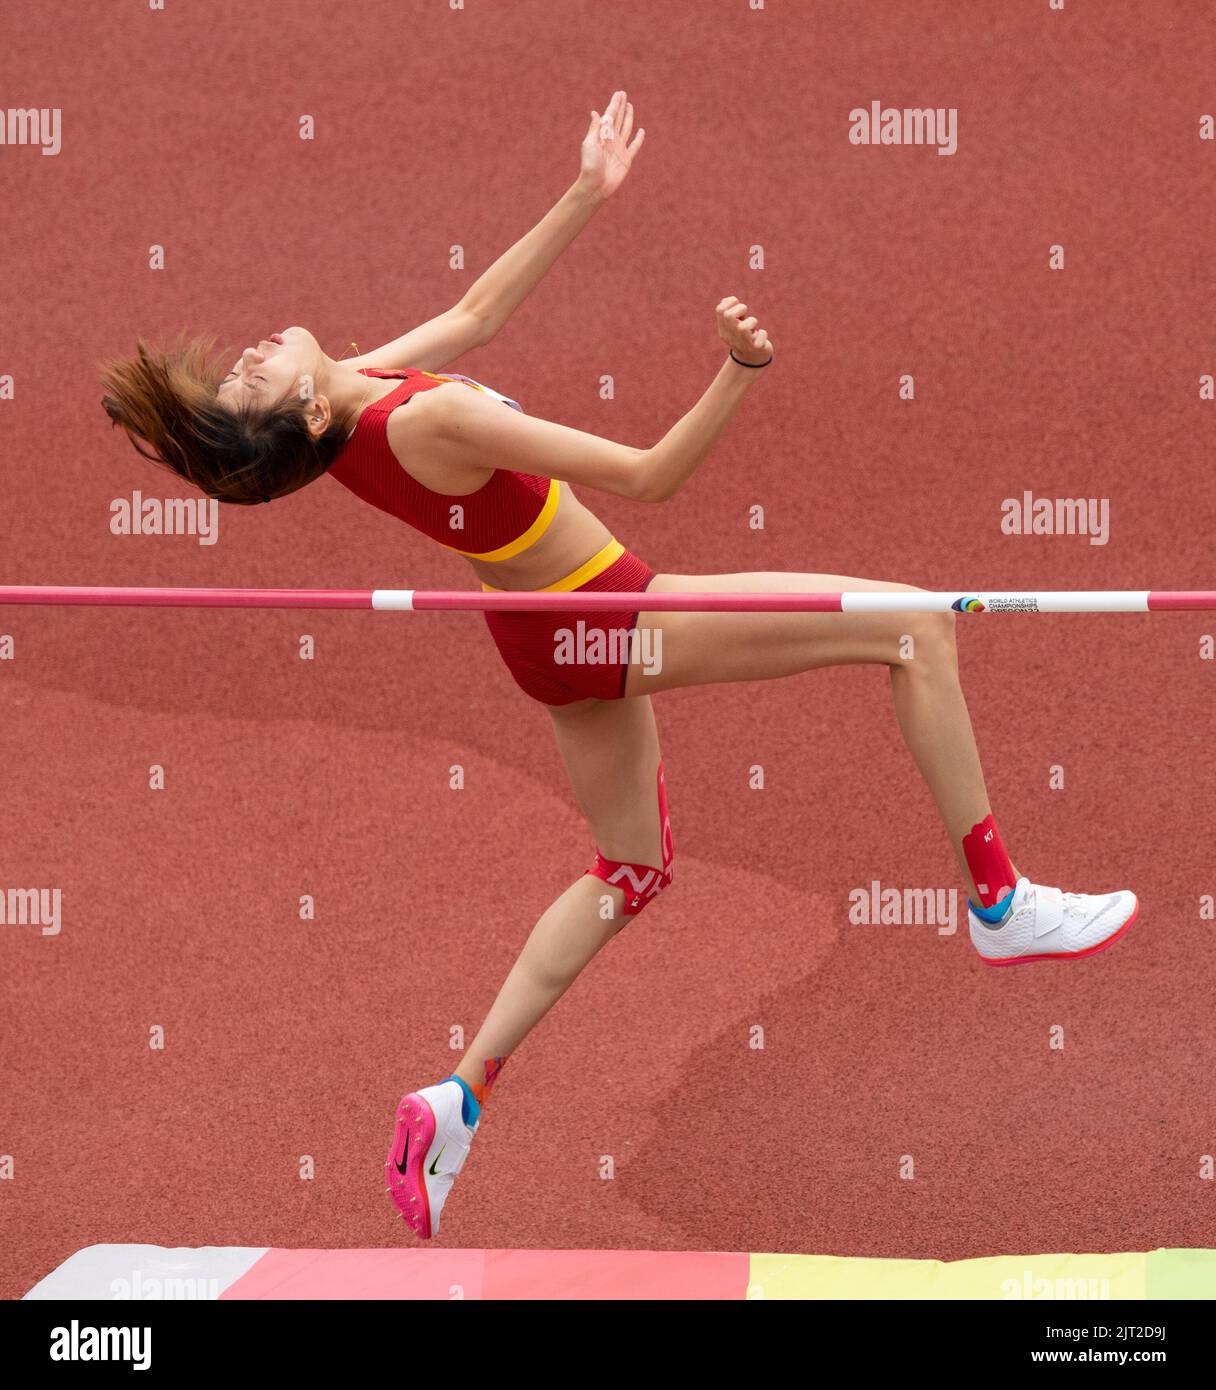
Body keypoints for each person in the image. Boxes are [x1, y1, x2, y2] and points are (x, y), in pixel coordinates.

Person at [99, 92, 1136, 1240]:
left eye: (239, 368)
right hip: (609, 611)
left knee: (628, 869)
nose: (251, 355)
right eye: (249, 378)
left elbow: (475, 310)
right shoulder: (415, 428)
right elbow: (647, 476)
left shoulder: (351, 398)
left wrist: (586, 194)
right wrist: (739, 370)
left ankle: (459, 1097)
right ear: (295, 406)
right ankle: (997, 896)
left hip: (540, 636)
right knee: (915, 623)